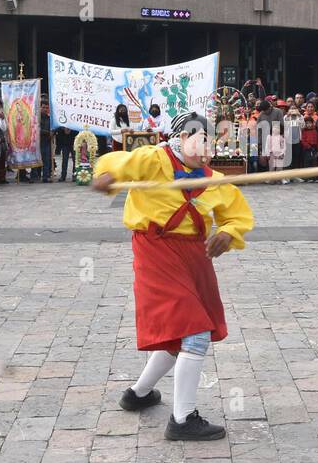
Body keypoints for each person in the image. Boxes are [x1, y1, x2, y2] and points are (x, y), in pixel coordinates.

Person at [92, 112, 254, 441]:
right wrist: (105, 175)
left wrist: (227, 233)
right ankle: (182, 420)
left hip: (194, 257)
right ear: (180, 138)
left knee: (180, 329)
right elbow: (117, 162)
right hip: (155, 250)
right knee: (193, 330)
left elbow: (236, 216)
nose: (203, 146)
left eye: (208, 140)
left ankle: (138, 394)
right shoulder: (153, 160)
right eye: (196, 138)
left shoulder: (213, 180)